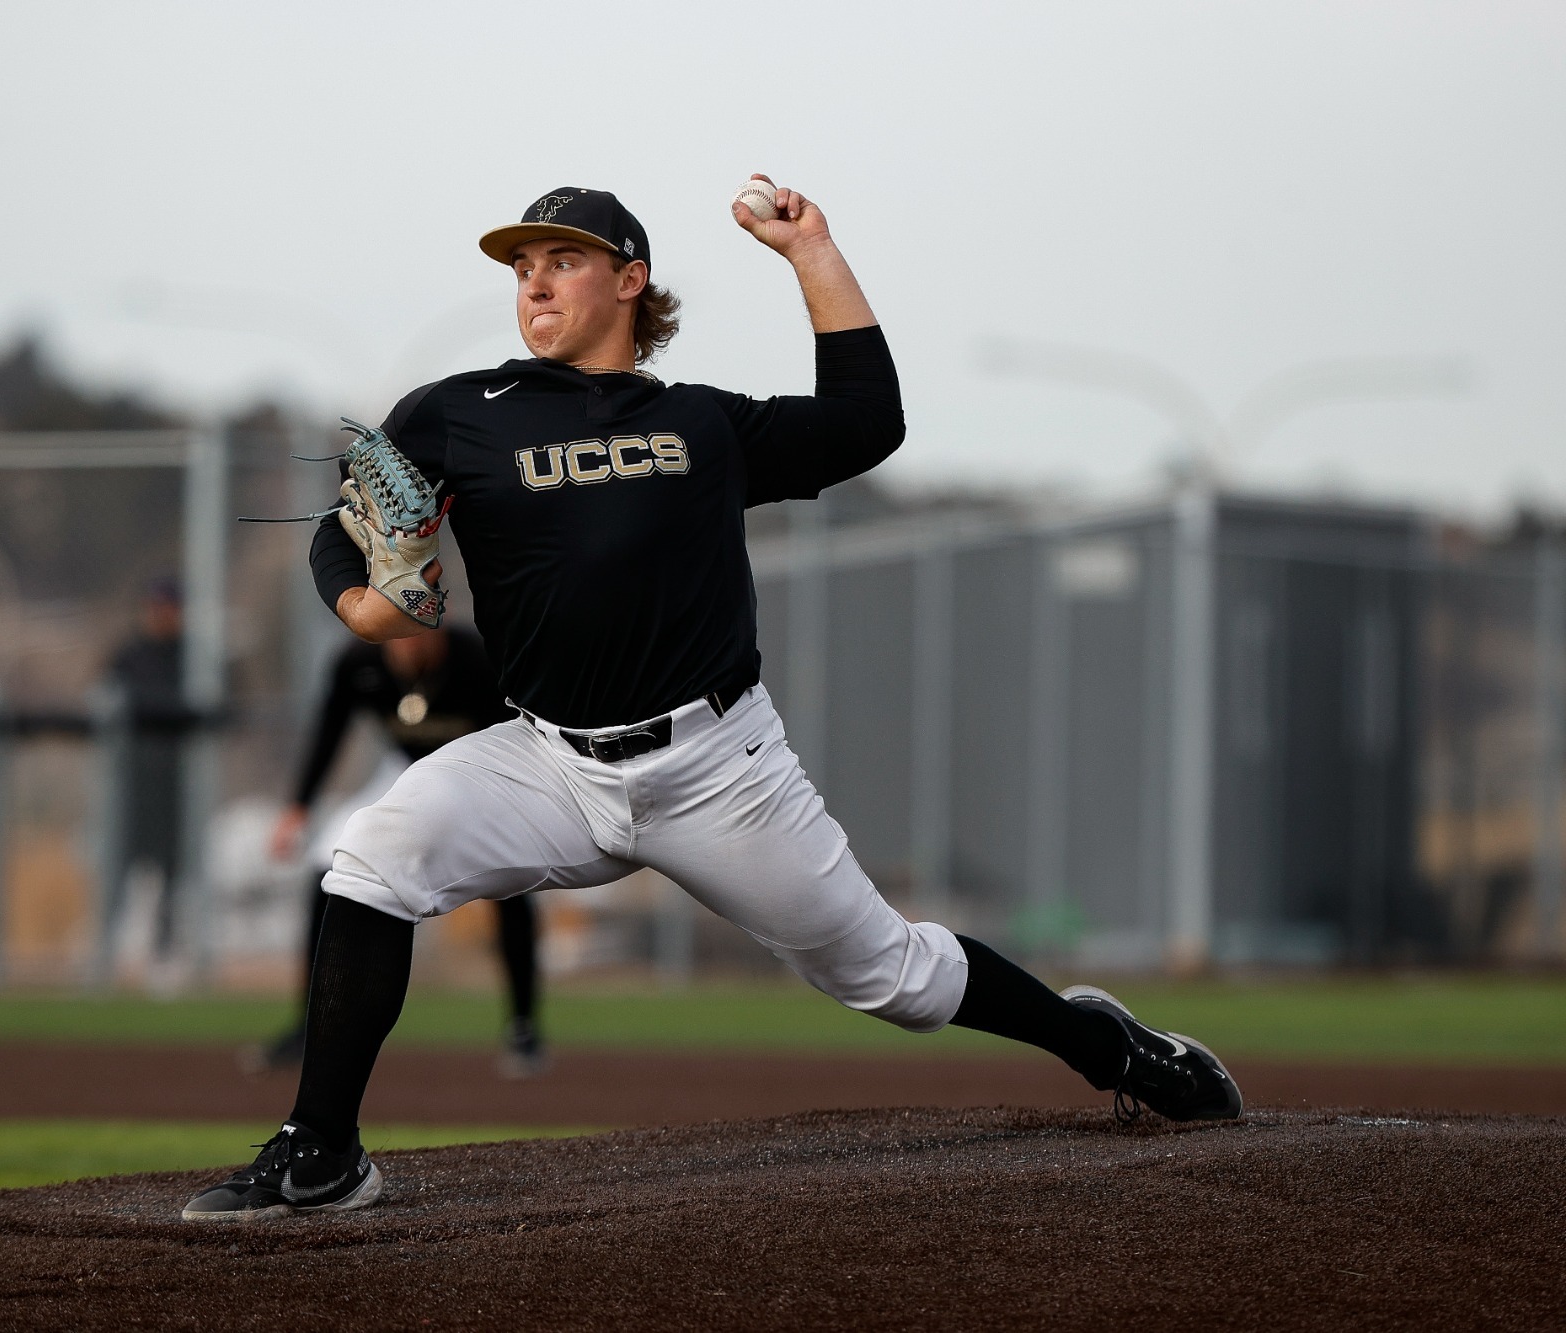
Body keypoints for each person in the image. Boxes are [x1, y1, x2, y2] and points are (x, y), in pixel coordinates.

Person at [181, 179, 1240, 1223]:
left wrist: (810, 255)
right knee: (371, 858)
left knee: (895, 979)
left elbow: (865, 423)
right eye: (521, 266)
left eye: (562, 260)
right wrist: (361, 605)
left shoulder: (698, 423)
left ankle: (1110, 1046)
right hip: (544, 760)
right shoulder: (460, 413)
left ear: (629, 280)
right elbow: (345, 520)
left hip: (715, 770)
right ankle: (322, 1149)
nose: (533, 283)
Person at [246, 626, 545, 1078]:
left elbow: (521, 732)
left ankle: (523, 1027)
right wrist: (298, 808)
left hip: (480, 772)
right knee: (328, 863)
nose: (407, 641)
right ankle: (314, 1025)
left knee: (510, 878)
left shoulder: (477, 660)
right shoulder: (358, 664)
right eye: (396, 628)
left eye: (417, 628)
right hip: (406, 772)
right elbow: (330, 731)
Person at [104, 576, 186, 963]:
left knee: (174, 864)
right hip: (133, 776)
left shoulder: (192, 656)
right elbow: (105, 700)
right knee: (122, 856)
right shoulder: (129, 655)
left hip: (179, 779)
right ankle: (109, 940)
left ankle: (164, 945)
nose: (162, 615)